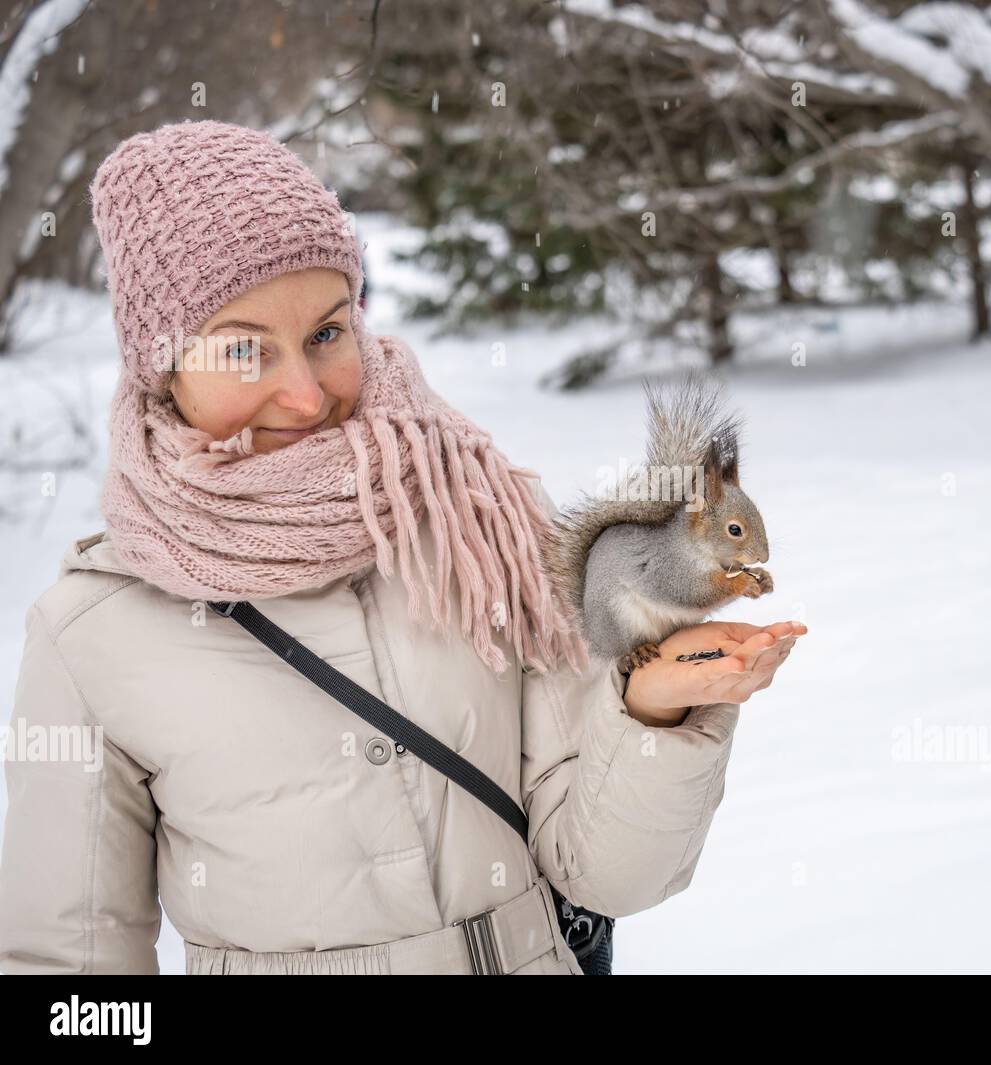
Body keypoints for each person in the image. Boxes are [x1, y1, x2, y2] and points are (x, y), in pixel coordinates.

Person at [0, 120, 803, 975]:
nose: (306, 397)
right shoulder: (92, 631)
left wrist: (652, 715)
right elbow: (68, 974)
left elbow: (605, 871)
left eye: (327, 333)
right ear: (162, 369)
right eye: (244, 348)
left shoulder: (485, 523)